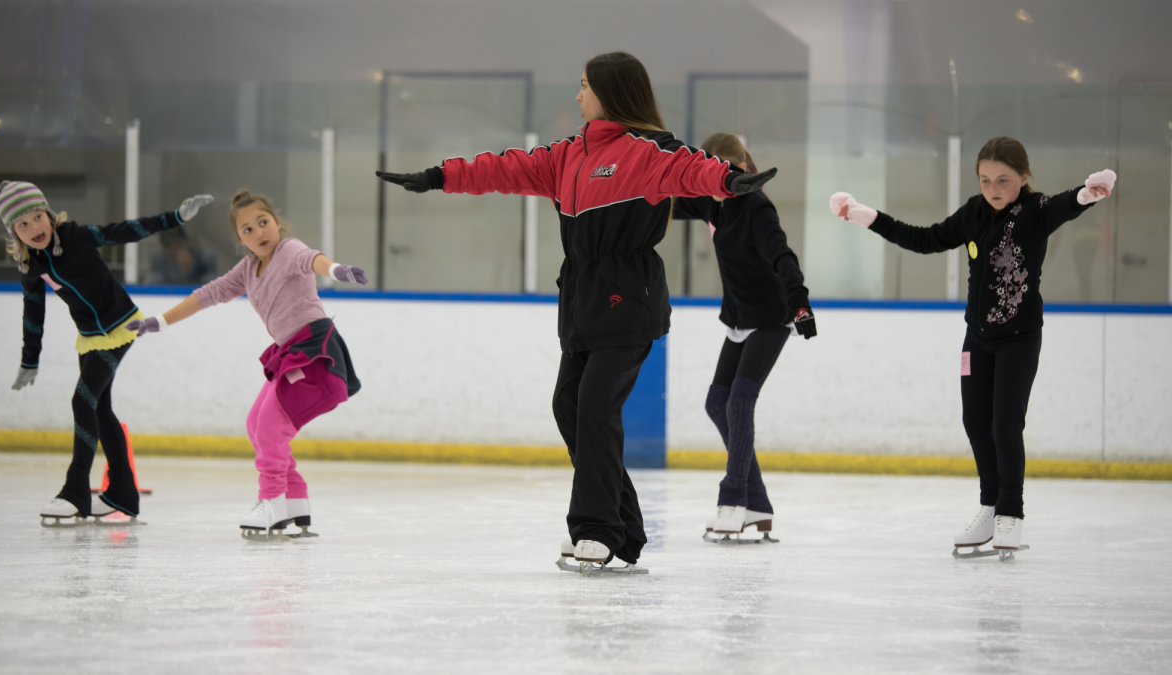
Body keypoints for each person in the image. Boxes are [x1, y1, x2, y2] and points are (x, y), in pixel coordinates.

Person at [376, 51, 777, 574]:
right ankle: (625, 528)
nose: (577, 94)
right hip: (583, 299)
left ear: (611, 90)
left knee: (593, 406)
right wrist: (439, 176)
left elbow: (690, 168)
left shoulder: (647, 149)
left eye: (584, 85)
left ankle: (595, 530)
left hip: (628, 297)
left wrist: (728, 181)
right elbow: (505, 167)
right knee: (570, 406)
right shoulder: (569, 154)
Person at [829, 136, 1115, 557]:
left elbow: (1065, 204)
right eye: (985, 180)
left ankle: (1010, 514)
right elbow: (925, 239)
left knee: (1004, 424)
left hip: (1019, 341)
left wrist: (1088, 194)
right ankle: (989, 506)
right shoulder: (974, 212)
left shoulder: (1034, 211)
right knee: (975, 421)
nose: (993, 189)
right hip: (976, 340)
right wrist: (867, 217)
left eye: (1003, 180)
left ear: (1023, 177)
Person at [126, 190, 366, 539]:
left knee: (271, 422)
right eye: (248, 230)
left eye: (263, 223)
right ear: (240, 240)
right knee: (256, 423)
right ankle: (295, 500)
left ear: (277, 222)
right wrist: (159, 321)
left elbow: (313, 259)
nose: (259, 233)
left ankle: (271, 500)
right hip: (290, 352)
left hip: (314, 352)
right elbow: (207, 294)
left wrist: (337, 270)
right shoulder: (249, 269)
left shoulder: (288, 250)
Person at [0, 179, 213, 526]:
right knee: (100, 408)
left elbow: (123, 231)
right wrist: (29, 360)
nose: (33, 228)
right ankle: (123, 497)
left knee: (83, 401)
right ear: (14, 232)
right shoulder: (31, 267)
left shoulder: (76, 237)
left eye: (37, 217)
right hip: (91, 337)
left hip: (121, 327)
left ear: (49, 215)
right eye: (22, 224)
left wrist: (174, 218)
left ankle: (75, 492)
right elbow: (33, 313)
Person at [672, 133, 816, 543]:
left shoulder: (756, 206)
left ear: (736, 169)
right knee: (717, 402)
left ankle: (734, 499)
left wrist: (800, 302)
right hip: (739, 316)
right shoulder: (707, 198)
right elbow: (665, 200)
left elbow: (782, 256)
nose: (713, 179)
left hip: (771, 316)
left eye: (721, 171)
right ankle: (757, 503)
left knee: (739, 399)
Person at [149, 227, 217, 285]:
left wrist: (188, 269)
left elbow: (210, 288)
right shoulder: (159, 262)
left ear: (187, 241)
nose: (174, 249)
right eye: (168, 245)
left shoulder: (205, 261)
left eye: (178, 243)